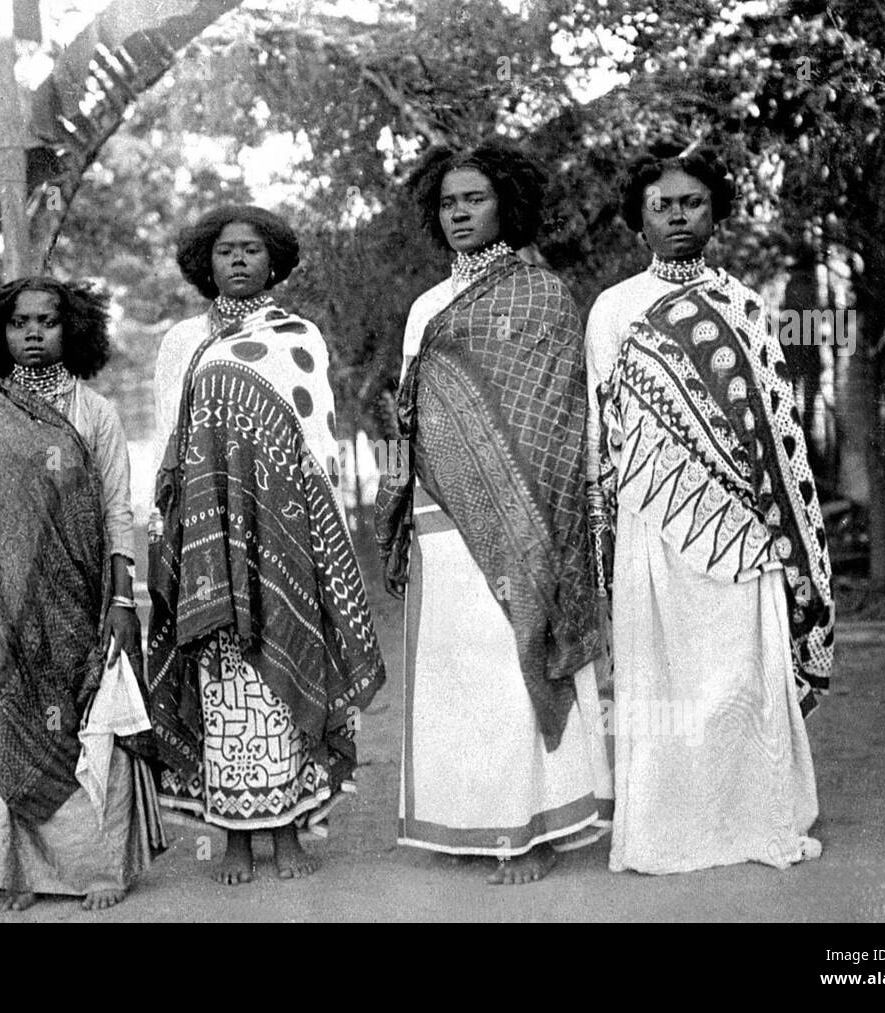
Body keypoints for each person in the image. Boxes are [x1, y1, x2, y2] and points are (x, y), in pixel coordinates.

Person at [584, 143, 835, 874]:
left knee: (738, 681)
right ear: (639, 221)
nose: (678, 216)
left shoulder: (745, 307)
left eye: (692, 203)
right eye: (661, 206)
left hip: (744, 530)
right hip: (650, 523)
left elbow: (776, 433)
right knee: (663, 682)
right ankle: (666, 831)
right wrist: (606, 535)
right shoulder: (613, 309)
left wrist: (776, 535)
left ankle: (755, 821)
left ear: (715, 213)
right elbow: (603, 428)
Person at [374, 140, 613, 886]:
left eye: (474, 199)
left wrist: (546, 516)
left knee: (517, 663)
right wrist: (393, 507)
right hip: (438, 517)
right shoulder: (425, 308)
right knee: (461, 671)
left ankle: (532, 830)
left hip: (527, 518)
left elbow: (559, 419)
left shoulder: (543, 296)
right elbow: (406, 420)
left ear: (505, 203)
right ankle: (475, 818)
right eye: (448, 203)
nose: (460, 213)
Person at [147, 205, 385, 885]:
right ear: (206, 262)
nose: (240, 260)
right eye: (226, 251)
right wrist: (175, 530)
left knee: (282, 673)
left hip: (285, 534)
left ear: (275, 261)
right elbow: (172, 437)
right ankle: (231, 839)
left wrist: (312, 533)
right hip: (207, 537)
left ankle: (286, 834)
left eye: (253, 250)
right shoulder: (182, 341)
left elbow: (319, 442)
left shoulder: (298, 336)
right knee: (222, 680)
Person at [0, 276, 165, 912]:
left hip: (81, 601)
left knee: (92, 725)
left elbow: (119, 510)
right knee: (7, 722)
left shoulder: (96, 413)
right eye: (18, 323)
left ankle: (101, 870)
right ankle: (17, 871)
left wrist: (123, 601)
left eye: (47, 321)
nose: (32, 333)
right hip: (3, 611)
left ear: (75, 330)